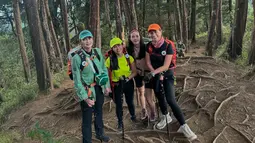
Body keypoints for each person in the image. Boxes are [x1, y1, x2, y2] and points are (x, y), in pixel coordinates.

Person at [144, 24, 197, 141]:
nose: (153, 35)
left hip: (168, 75)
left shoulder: (168, 45)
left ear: (160, 31)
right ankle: (165, 116)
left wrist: (154, 73)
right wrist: (154, 73)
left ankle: (184, 126)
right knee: (159, 96)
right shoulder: (148, 46)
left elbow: (166, 65)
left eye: (155, 32)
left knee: (171, 99)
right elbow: (148, 62)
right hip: (155, 74)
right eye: (151, 33)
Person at [71, 30, 111, 143]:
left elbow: (103, 69)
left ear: (92, 39)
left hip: (99, 88)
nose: (87, 41)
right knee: (87, 119)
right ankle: (87, 141)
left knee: (99, 112)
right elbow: (77, 80)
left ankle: (100, 134)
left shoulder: (97, 52)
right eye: (84, 39)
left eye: (89, 38)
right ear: (81, 42)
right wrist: (85, 97)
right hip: (87, 91)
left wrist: (106, 86)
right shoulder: (77, 58)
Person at [105, 37, 137, 132]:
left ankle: (133, 116)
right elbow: (106, 74)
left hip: (128, 82)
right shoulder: (109, 60)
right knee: (118, 104)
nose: (117, 48)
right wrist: (107, 87)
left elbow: (134, 72)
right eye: (114, 47)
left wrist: (128, 78)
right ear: (112, 49)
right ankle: (120, 122)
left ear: (122, 45)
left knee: (130, 101)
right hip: (117, 85)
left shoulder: (128, 58)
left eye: (118, 45)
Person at [126, 29, 156, 121]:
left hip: (147, 73)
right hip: (137, 73)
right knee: (140, 92)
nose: (135, 38)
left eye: (137, 36)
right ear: (130, 39)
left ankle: (152, 111)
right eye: (133, 36)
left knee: (149, 95)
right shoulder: (128, 49)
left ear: (140, 37)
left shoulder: (146, 47)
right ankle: (144, 109)